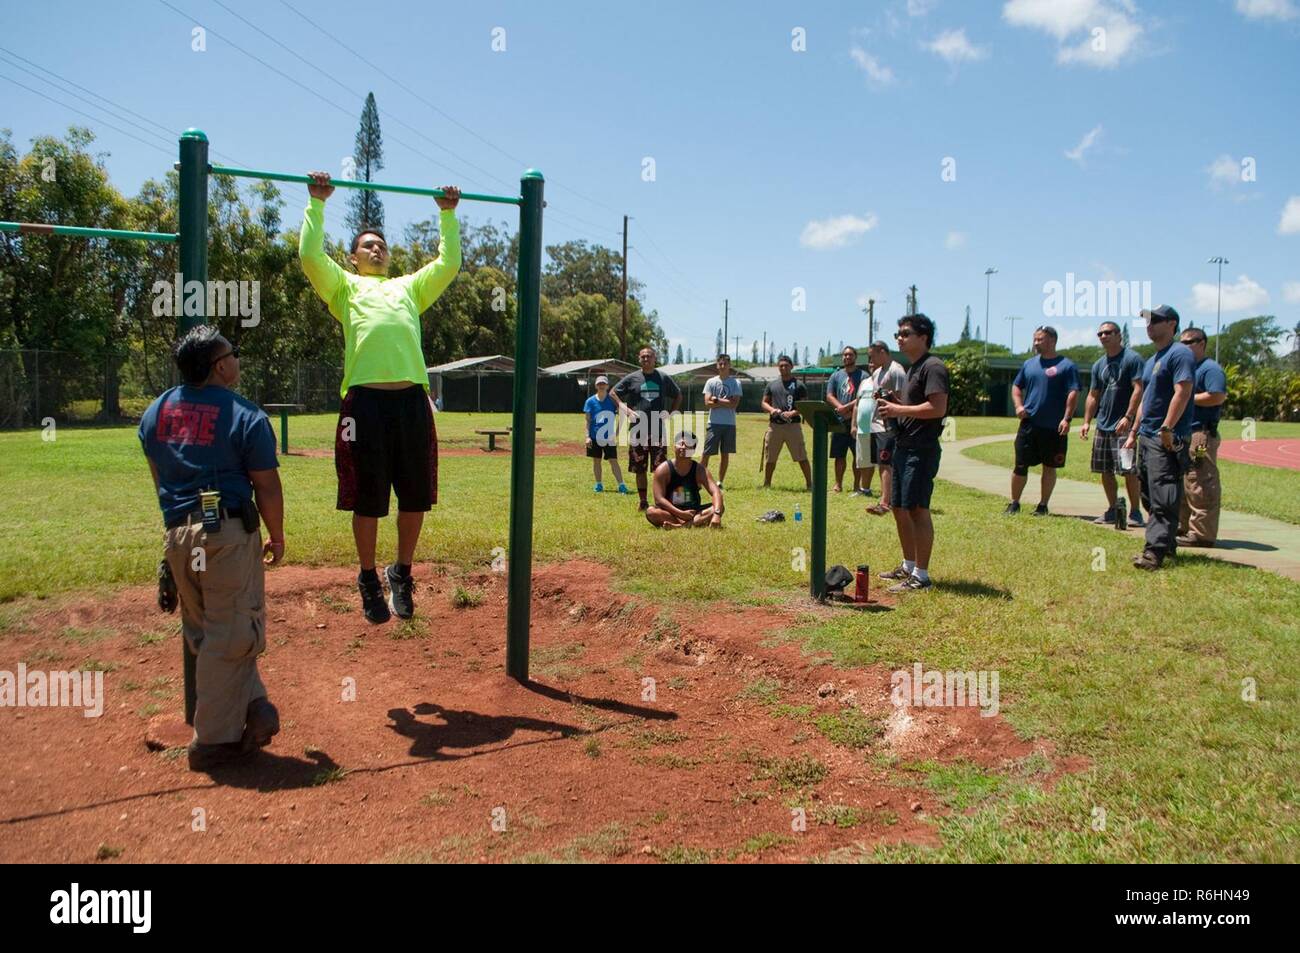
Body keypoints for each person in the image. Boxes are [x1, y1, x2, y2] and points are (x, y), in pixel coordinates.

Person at [299, 171, 461, 624]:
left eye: (381, 245)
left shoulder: (408, 287)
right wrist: (317, 203)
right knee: (367, 499)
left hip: (411, 401)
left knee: (415, 496)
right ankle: (368, 577)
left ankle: (402, 573)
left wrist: (447, 214)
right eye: (367, 245)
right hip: (364, 405)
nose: (376, 248)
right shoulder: (344, 288)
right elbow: (310, 255)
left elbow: (448, 266)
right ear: (352, 259)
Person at [138, 326, 284, 771]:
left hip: (180, 534)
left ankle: (253, 705)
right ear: (221, 366)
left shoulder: (155, 411)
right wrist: (277, 535)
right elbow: (266, 485)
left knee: (206, 628)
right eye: (233, 354)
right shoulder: (246, 415)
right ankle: (213, 744)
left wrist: (176, 537)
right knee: (234, 632)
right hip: (226, 534)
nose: (237, 360)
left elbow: (159, 478)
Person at [877, 314, 949, 593]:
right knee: (899, 507)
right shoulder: (914, 368)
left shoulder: (934, 367)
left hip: (922, 449)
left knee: (918, 509)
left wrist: (898, 409)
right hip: (904, 446)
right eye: (898, 333)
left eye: (906, 333)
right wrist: (894, 402)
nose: (900, 338)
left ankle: (922, 575)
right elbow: (915, 407)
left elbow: (937, 408)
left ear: (924, 337)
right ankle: (908, 565)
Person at [1124, 305, 1195, 570]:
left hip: (1165, 436)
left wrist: (1167, 428)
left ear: (1172, 324)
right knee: (1148, 494)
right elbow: (1145, 399)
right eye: (1147, 321)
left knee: (1163, 492)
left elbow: (1183, 391)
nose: (1149, 325)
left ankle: (1154, 553)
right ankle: (1168, 546)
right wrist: (1134, 431)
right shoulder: (1152, 360)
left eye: (1156, 320)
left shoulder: (1180, 354)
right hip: (1147, 435)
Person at [1005, 325, 1080, 516]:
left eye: (1040, 339)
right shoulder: (1029, 364)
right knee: (1020, 464)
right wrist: (1018, 406)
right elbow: (1016, 386)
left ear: (1052, 341)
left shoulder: (1067, 366)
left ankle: (1043, 505)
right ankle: (1014, 503)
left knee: (1050, 466)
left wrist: (1067, 418)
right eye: (1035, 339)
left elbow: (1073, 392)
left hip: (1054, 427)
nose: (1036, 342)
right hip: (1029, 425)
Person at [1080, 320, 1145, 527]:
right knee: (1105, 470)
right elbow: (1093, 394)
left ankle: (1135, 512)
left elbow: (1139, 389)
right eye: (1100, 334)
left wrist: (1128, 416)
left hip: (1123, 426)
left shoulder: (1132, 359)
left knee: (1128, 469)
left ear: (1119, 335)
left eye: (1108, 333)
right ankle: (1112, 509)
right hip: (1103, 426)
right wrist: (1087, 422)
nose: (1103, 337)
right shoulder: (1099, 365)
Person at [612, 346, 682, 510]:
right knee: (639, 467)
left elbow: (678, 394)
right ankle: (643, 501)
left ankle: (661, 501)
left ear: (654, 358)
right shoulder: (632, 378)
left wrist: (670, 413)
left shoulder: (663, 378)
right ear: (639, 359)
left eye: (649, 356)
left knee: (661, 469)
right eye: (643, 356)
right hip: (638, 430)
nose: (646, 359)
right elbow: (613, 393)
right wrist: (625, 409)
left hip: (658, 429)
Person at [1177, 327, 1227, 547]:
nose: (1185, 346)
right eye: (1182, 343)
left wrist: (1187, 397)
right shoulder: (1186, 368)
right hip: (1184, 433)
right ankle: (1184, 527)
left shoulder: (1210, 369)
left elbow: (1217, 396)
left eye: (1190, 342)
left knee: (1200, 482)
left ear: (1202, 343)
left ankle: (1202, 534)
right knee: (1184, 482)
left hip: (1201, 435)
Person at [861, 340, 907, 517]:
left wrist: (890, 398)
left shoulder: (896, 370)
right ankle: (888, 498)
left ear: (882, 352)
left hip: (890, 425)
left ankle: (885, 503)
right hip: (877, 424)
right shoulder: (877, 373)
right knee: (882, 463)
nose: (870, 359)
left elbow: (904, 401)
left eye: (872, 355)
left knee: (886, 463)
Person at [645, 431, 724, 529]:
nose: (683, 447)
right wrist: (681, 513)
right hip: (671, 512)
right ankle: (690, 524)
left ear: (693, 450)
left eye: (688, 445)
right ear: (674, 446)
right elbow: (659, 500)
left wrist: (716, 514)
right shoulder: (663, 469)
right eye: (680, 444)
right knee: (651, 512)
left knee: (718, 507)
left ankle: (679, 526)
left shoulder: (700, 470)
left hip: (693, 513)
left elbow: (716, 492)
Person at [760, 354, 812, 490]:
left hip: (793, 426)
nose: (783, 368)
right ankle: (767, 484)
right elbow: (764, 403)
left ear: (791, 367)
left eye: (786, 365)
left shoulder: (799, 385)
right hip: (775, 426)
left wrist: (793, 412)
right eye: (781, 365)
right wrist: (772, 410)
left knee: (801, 456)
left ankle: (810, 484)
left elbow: (805, 406)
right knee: (770, 457)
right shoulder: (772, 385)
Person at [824, 346, 870, 494]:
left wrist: (847, 409)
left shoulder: (863, 376)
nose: (847, 357)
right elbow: (829, 395)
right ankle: (838, 484)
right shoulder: (835, 376)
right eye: (845, 355)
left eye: (850, 355)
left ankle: (857, 485)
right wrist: (840, 407)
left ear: (855, 357)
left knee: (858, 456)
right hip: (839, 421)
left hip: (856, 421)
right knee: (839, 455)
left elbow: (862, 397)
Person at [700, 354, 742, 488]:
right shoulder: (711, 382)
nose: (723, 366)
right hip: (713, 423)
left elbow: (734, 404)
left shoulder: (736, 383)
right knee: (706, 453)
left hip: (729, 424)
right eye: (720, 364)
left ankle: (720, 482)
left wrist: (717, 400)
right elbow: (707, 403)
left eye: (725, 364)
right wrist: (726, 401)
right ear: (717, 365)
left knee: (725, 454)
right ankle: (699, 480)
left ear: (729, 365)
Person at [583, 375, 628, 494]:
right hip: (594, 436)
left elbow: (623, 415)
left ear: (608, 386)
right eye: (599, 384)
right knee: (596, 461)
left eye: (603, 384)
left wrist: (617, 433)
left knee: (613, 460)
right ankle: (598, 484)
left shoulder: (612, 400)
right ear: (596, 386)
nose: (601, 386)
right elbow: (587, 421)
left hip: (609, 437)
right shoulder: (590, 401)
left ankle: (621, 485)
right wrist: (587, 437)